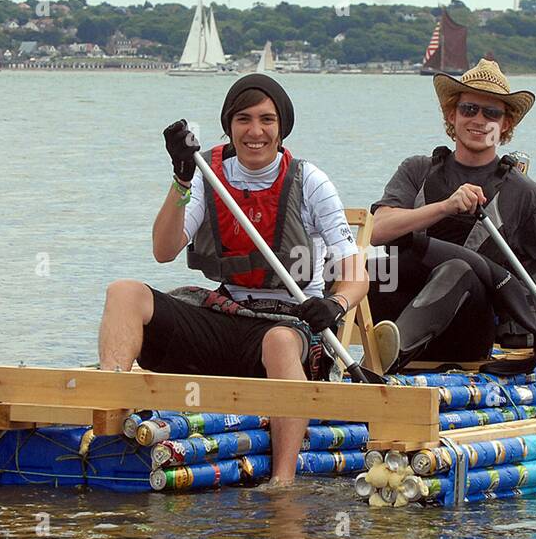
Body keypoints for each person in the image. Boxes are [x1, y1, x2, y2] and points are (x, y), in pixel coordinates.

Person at [98, 75, 369, 484]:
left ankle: (282, 481)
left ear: (282, 129)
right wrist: (182, 179)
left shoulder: (310, 180)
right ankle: (107, 414)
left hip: (289, 326)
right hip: (227, 315)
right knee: (124, 293)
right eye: (243, 119)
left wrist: (336, 304)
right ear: (229, 125)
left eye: (266, 120)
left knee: (278, 340)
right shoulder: (207, 174)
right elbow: (163, 249)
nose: (255, 131)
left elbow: (355, 274)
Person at [368, 59, 536, 374]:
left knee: (458, 268)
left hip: (469, 327)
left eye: (492, 113)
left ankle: (385, 359)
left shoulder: (525, 193)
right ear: (451, 115)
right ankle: (319, 359)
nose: (479, 120)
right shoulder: (417, 170)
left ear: (506, 124)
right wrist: (444, 207)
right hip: (398, 306)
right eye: (469, 109)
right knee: (355, 266)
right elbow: (377, 232)